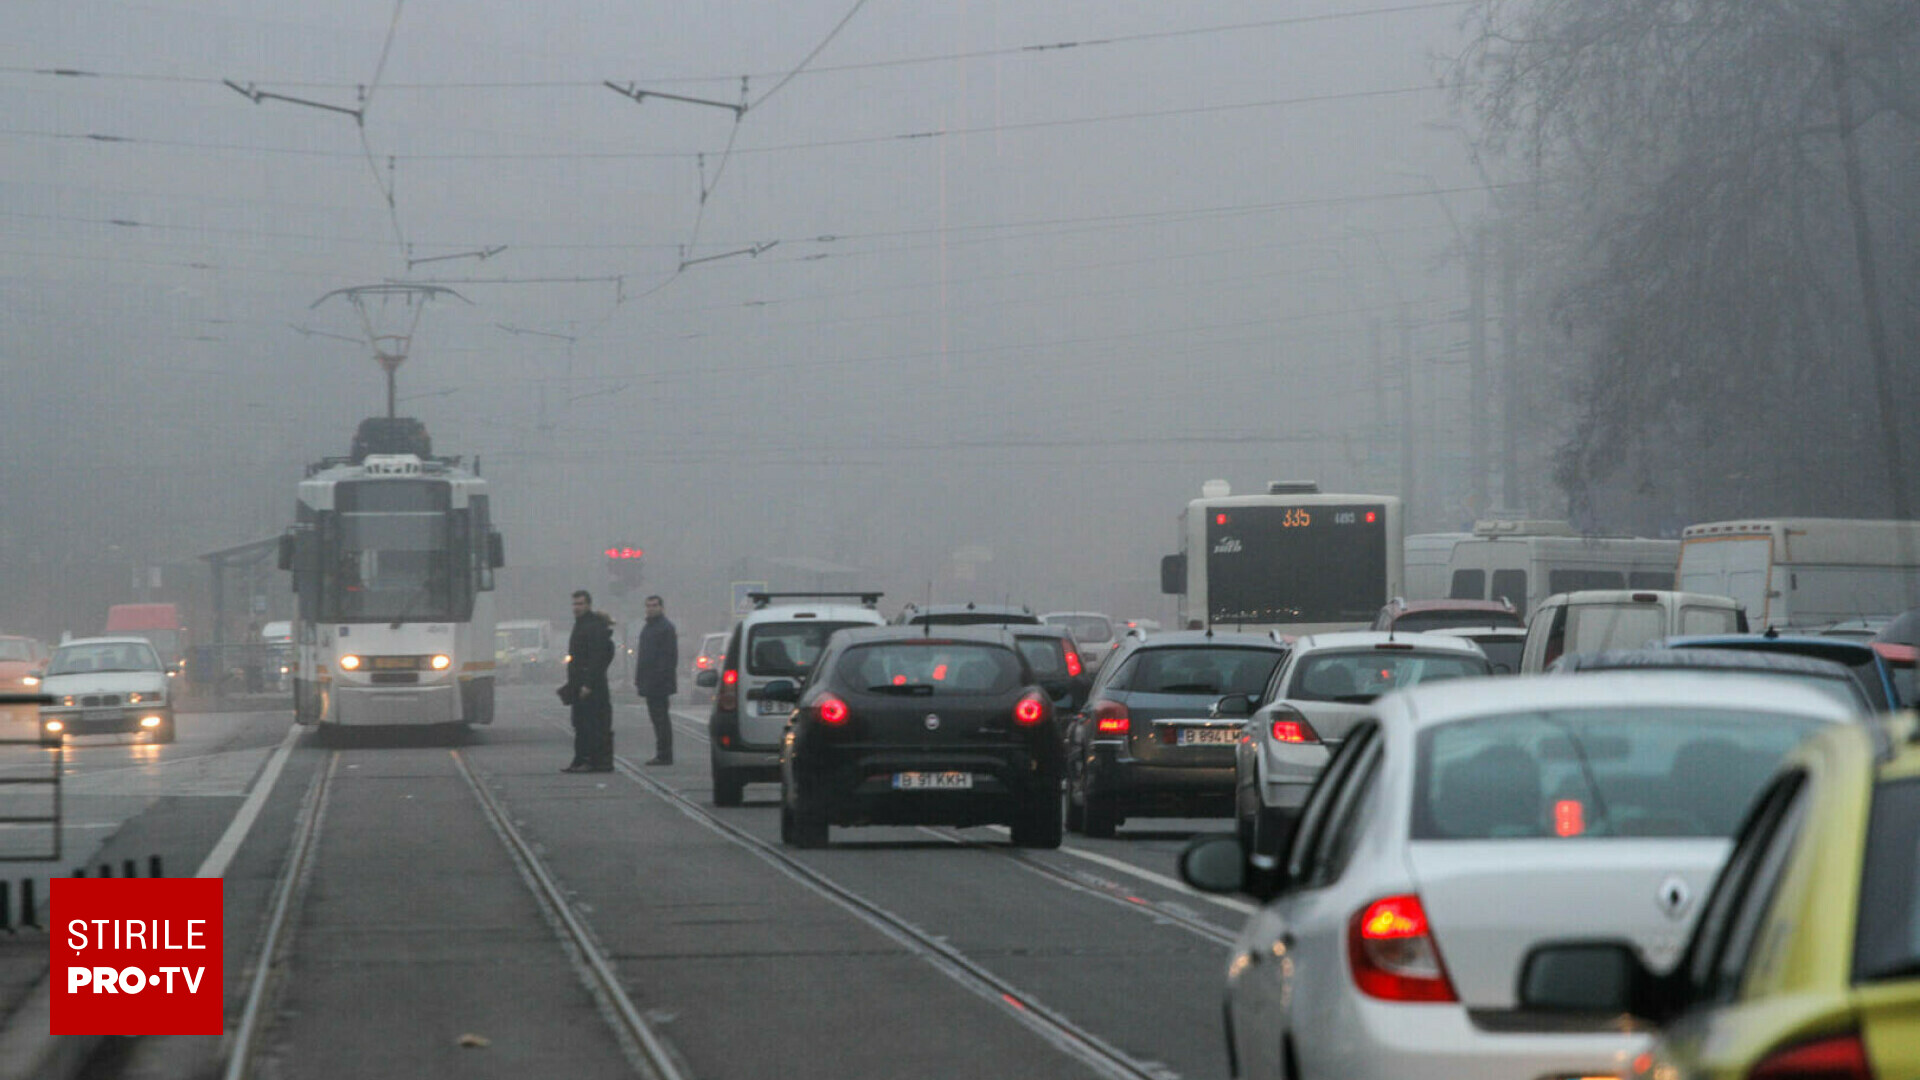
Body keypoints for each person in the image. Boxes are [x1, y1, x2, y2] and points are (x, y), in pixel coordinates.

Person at [561, 589, 616, 773]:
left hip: (592, 685)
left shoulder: (593, 626)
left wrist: (588, 684)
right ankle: (580, 759)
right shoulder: (582, 624)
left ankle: (595, 760)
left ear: (588, 605)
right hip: (579, 682)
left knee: (593, 723)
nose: (576, 608)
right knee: (580, 723)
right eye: (574, 604)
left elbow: (598, 658)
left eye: (580, 604)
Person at [632, 594, 679, 765]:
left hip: (659, 683)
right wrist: (639, 679)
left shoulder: (665, 628)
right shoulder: (649, 627)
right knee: (658, 719)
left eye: (654, 605)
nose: (650, 609)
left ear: (661, 607)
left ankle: (665, 754)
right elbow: (643, 657)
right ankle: (663, 753)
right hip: (650, 681)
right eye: (648, 606)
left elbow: (668, 658)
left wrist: (658, 679)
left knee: (661, 719)